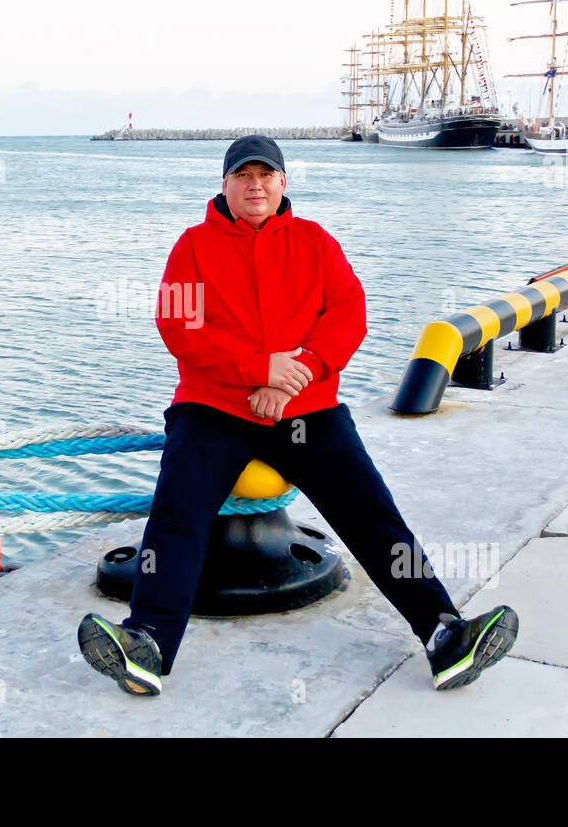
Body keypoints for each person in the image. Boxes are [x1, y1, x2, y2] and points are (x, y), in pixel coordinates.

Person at [77, 135, 518, 696]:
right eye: (243, 175)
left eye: (265, 175)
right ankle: (148, 643)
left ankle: (444, 634)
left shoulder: (314, 241)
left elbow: (348, 314)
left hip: (305, 406)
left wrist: (296, 375)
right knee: (177, 511)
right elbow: (179, 329)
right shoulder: (193, 246)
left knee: (370, 511)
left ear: (283, 183)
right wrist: (259, 369)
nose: (254, 185)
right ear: (224, 185)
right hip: (215, 406)